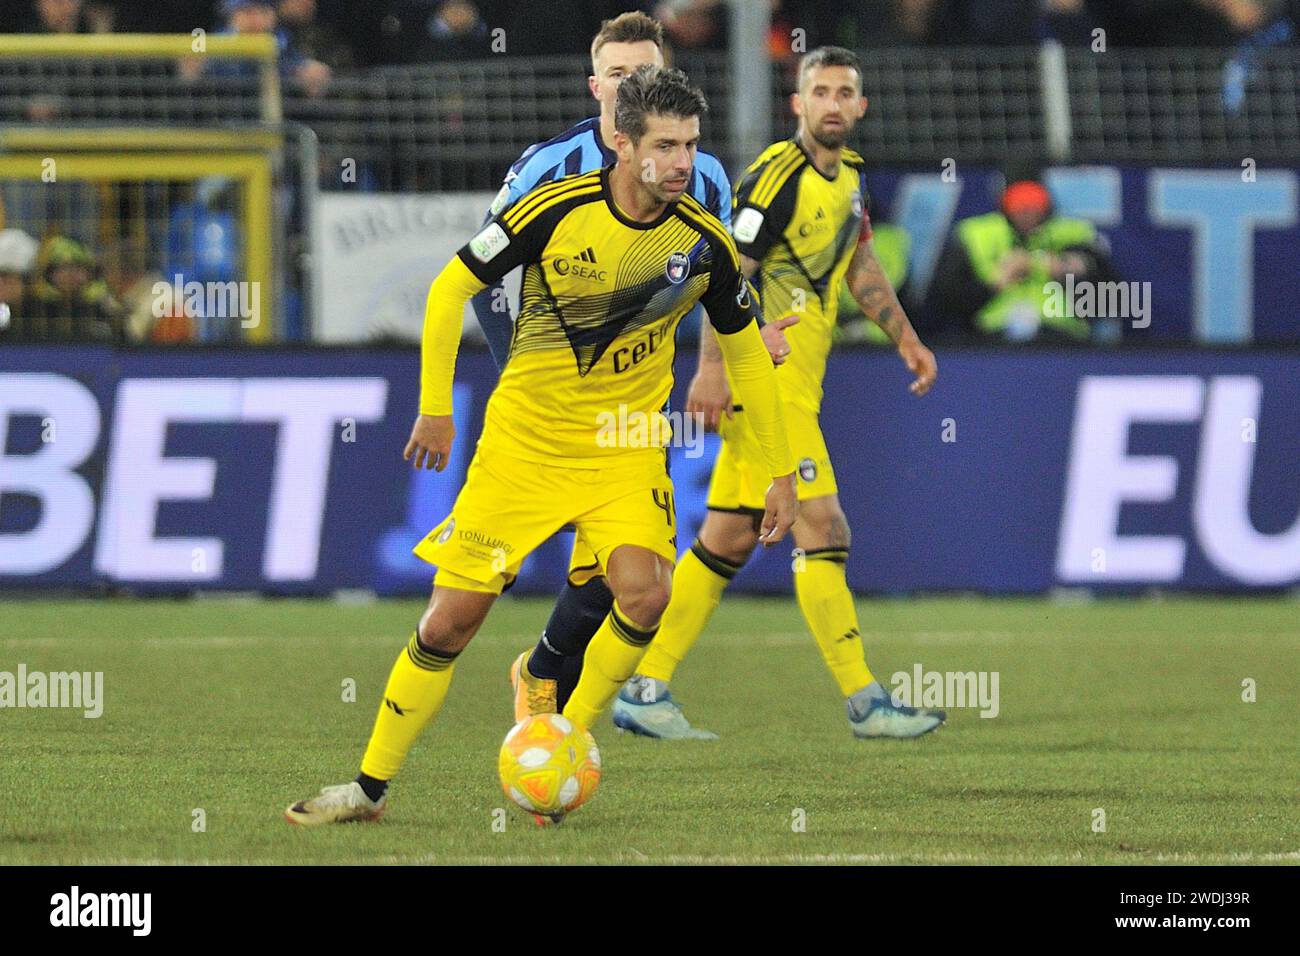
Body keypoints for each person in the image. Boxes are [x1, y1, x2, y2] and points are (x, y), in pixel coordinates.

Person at [285, 65, 799, 825]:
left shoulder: (706, 242)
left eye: (691, 145)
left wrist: (780, 472)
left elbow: (746, 354)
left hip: (624, 448)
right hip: (524, 444)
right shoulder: (553, 208)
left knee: (647, 593)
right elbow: (449, 287)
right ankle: (368, 788)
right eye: (666, 145)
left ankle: (564, 738)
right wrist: (435, 409)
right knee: (452, 620)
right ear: (622, 144)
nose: (683, 162)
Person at [612, 46, 946, 740]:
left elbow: (858, 262)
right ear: (797, 103)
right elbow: (724, 270)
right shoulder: (776, 177)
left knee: (727, 539)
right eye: (818, 90)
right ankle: (865, 701)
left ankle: (644, 687)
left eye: (843, 91)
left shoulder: (849, 176)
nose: (830, 102)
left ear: (859, 107)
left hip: (800, 382)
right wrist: (709, 369)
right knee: (824, 527)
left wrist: (906, 339)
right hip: (767, 385)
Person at [466, 12, 791, 723]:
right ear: (596, 87)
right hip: (545, 405)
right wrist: (514, 366)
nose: (629, 87)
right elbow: (483, 278)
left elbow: (721, 282)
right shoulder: (545, 168)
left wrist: (726, 359)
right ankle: (543, 687)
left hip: (636, 404)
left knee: (634, 575)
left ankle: (545, 676)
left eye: (643, 74)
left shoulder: (700, 175)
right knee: (494, 579)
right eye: (617, 76)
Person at [928, 175, 1120, 342]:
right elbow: (943, 301)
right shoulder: (976, 234)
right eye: (1019, 206)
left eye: (1035, 205)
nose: (1028, 214)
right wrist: (994, 285)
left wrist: (1071, 272)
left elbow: (1114, 301)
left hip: (1061, 336)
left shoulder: (1073, 233)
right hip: (991, 338)